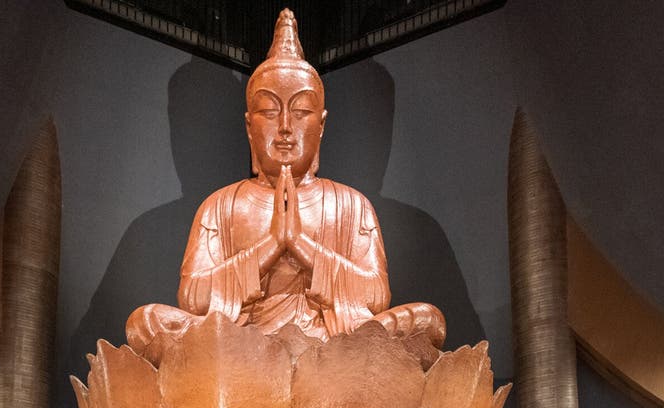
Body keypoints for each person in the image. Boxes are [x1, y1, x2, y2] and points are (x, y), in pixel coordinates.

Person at [127, 8, 445, 358]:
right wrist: (270, 246)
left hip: (331, 345)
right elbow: (193, 296)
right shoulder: (221, 206)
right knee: (146, 322)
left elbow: (375, 295)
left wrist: (301, 246)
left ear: (321, 126)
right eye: (268, 111)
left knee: (426, 321)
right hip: (242, 348)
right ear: (250, 127)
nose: (284, 128)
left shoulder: (350, 205)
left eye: (300, 112)